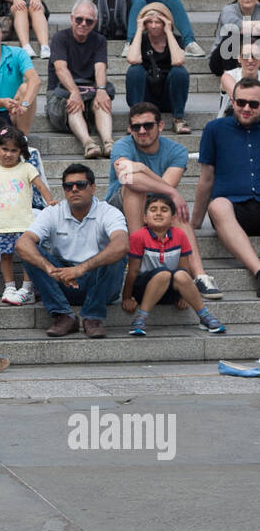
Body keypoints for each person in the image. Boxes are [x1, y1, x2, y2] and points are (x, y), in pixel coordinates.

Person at [107, 100, 221, 299]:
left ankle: (201, 276)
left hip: (155, 209)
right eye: (136, 127)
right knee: (135, 189)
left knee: (175, 211)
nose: (142, 131)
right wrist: (173, 193)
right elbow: (127, 178)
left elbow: (163, 192)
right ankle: (139, 255)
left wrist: (142, 169)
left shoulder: (177, 151)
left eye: (148, 125)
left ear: (160, 126)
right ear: (129, 129)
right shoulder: (122, 145)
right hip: (119, 210)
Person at [15, 164, 128, 337]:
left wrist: (81, 269)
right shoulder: (52, 212)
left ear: (92, 188)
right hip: (62, 279)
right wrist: (49, 269)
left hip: (97, 282)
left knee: (117, 254)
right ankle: (64, 315)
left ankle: (93, 317)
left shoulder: (108, 212)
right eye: (69, 186)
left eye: (80, 185)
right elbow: (23, 243)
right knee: (30, 252)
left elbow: (121, 244)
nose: (74, 190)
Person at [192, 77, 260, 297]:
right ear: (232, 100)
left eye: (254, 104)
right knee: (218, 205)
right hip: (233, 210)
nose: (246, 108)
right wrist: (194, 223)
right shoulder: (215, 129)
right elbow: (206, 178)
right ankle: (258, 270)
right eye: (241, 102)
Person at [123, 194, 226, 337]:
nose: (158, 213)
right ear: (145, 218)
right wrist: (127, 298)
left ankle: (204, 316)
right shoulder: (138, 237)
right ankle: (141, 317)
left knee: (181, 274)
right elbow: (133, 271)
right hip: (144, 289)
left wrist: (183, 297)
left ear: (172, 219)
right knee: (163, 273)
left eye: (164, 209)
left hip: (169, 288)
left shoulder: (180, 235)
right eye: (153, 209)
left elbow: (184, 269)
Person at [0, 125, 54, 304]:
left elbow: (40, 186)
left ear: (21, 152)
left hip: (24, 222)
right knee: (5, 255)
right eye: (4, 149)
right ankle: (9, 287)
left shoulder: (26, 168)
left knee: (27, 255)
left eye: (14, 150)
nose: (8, 154)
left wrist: (50, 201)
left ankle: (27, 288)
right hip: (1, 223)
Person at [46, 0, 115, 158]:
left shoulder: (99, 40)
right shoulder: (59, 38)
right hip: (61, 94)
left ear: (94, 23)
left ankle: (108, 142)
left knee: (102, 100)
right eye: (79, 19)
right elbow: (60, 69)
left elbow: (100, 67)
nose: (83, 24)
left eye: (89, 21)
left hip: (89, 93)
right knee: (73, 102)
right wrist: (74, 92)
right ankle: (88, 143)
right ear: (71, 19)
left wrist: (101, 90)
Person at [124, 3, 191, 132]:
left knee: (180, 72)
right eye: (149, 22)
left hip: (168, 95)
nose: (153, 26)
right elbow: (132, 59)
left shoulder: (175, 39)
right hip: (145, 97)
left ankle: (178, 119)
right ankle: (135, 119)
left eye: (158, 22)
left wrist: (168, 31)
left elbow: (178, 61)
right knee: (134, 70)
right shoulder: (140, 39)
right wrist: (138, 29)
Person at [209, 0, 260, 77]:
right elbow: (235, 27)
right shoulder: (228, 10)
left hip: (252, 59)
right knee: (234, 36)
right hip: (222, 58)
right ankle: (232, 78)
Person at [220, 39, 260, 116]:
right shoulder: (228, 76)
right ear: (239, 58)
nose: (250, 60)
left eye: (255, 56)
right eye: (245, 56)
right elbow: (240, 98)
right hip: (231, 121)